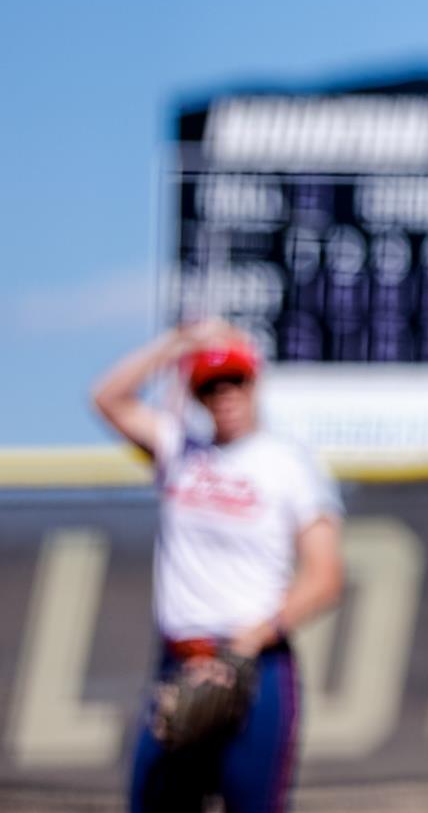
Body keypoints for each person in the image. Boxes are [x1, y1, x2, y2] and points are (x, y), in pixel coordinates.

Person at [92, 319, 345, 813]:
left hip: (255, 665)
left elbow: (325, 576)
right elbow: (108, 398)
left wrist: (254, 636)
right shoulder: (180, 451)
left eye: (235, 380)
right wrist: (179, 343)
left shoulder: (287, 464)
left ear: (254, 383)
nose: (225, 393)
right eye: (211, 385)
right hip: (182, 661)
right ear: (197, 394)